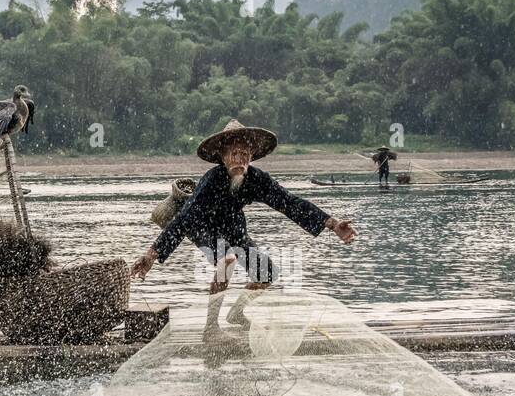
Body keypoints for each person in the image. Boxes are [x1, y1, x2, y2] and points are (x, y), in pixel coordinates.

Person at [131, 119, 356, 331]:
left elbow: (290, 203)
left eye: (245, 154)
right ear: (224, 156)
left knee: (266, 273)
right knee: (227, 259)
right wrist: (152, 255)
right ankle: (211, 326)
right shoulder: (212, 179)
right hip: (203, 226)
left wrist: (332, 223)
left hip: (233, 227)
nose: (240, 160)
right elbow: (184, 219)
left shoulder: (257, 179)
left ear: (251, 157)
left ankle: (237, 313)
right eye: (235, 154)